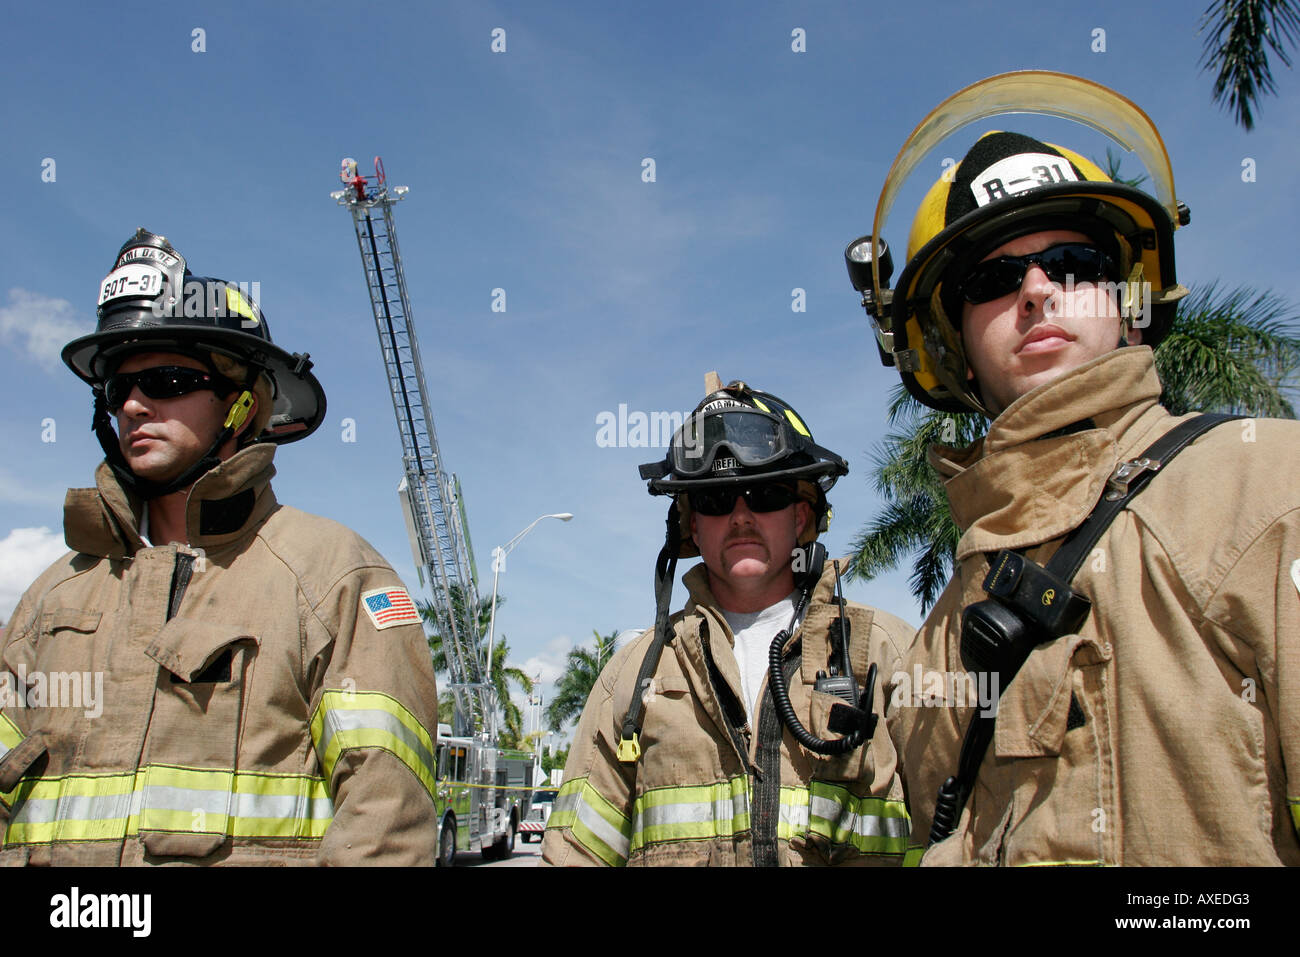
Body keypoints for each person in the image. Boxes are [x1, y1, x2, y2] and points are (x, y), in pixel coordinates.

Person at [848, 72, 1300, 865]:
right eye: (992, 278)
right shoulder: (941, 633)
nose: (1035, 289)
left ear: (1127, 300)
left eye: (1073, 261)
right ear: (950, 342)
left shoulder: (1267, 493)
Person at [0, 228, 440, 865]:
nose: (133, 405)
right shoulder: (53, 595)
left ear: (244, 405)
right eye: (116, 389)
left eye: (169, 381)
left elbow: (383, 821)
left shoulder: (335, 578)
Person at [542, 375, 914, 865]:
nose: (741, 515)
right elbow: (577, 855)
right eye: (717, 500)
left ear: (802, 517)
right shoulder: (636, 676)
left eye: (764, 495)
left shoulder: (885, 652)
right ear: (692, 525)